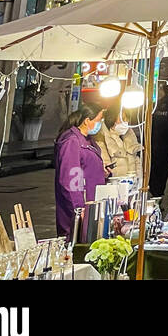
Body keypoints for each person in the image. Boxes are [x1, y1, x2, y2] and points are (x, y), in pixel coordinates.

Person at [54, 102, 107, 239]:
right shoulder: (72, 142)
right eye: (98, 120)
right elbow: (70, 181)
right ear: (87, 120)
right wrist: (79, 210)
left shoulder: (88, 140)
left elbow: (86, 166)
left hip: (92, 206)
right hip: (79, 213)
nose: (100, 124)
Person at [93, 108, 141, 179]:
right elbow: (106, 166)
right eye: (122, 119)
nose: (126, 122)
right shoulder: (103, 138)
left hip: (133, 183)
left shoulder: (130, 135)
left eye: (126, 119)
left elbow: (136, 160)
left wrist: (140, 180)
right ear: (112, 119)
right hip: (114, 184)